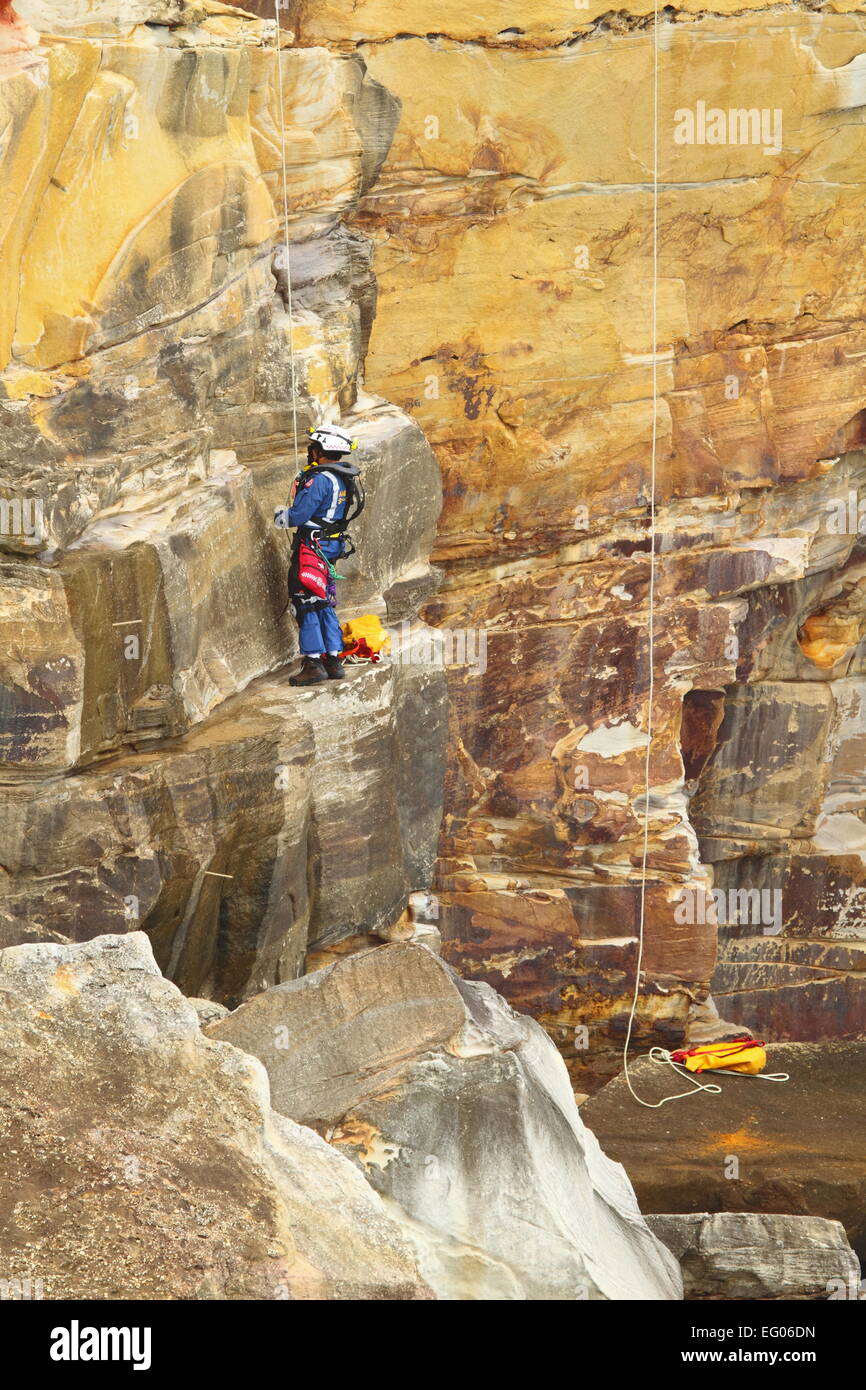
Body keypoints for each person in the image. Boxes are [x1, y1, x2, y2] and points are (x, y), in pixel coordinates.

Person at [275, 425, 364, 686]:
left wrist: (280, 516)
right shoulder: (341, 477)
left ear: (321, 450)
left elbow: (299, 515)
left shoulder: (320, 479)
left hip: (312, 547)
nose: (309, 451)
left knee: (305, 600)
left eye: (313, 447)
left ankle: (313, 663)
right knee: (323, 598)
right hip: (330, 547)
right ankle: (332, 660)